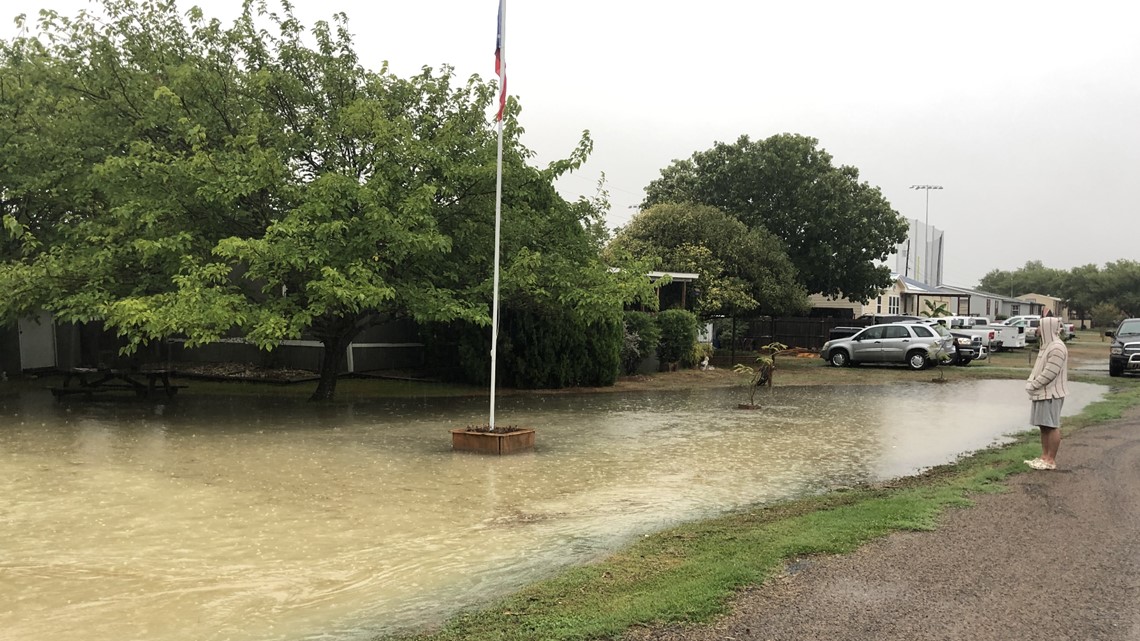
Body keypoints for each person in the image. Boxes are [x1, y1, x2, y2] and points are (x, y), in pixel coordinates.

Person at [1024, 315, 1069, 470]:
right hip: (1041, 392)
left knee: (1051, 425)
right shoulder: (1047, 346)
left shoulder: (1057, 347)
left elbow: (1050, 372)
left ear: (1047, 327)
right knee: (1043, 426)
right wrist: (1031, 383)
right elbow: (1039, 369)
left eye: (1039, 326)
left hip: (1051, 394)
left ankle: (1051, 459)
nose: (1037, 330)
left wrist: (1033, 384)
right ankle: (1044, 457)